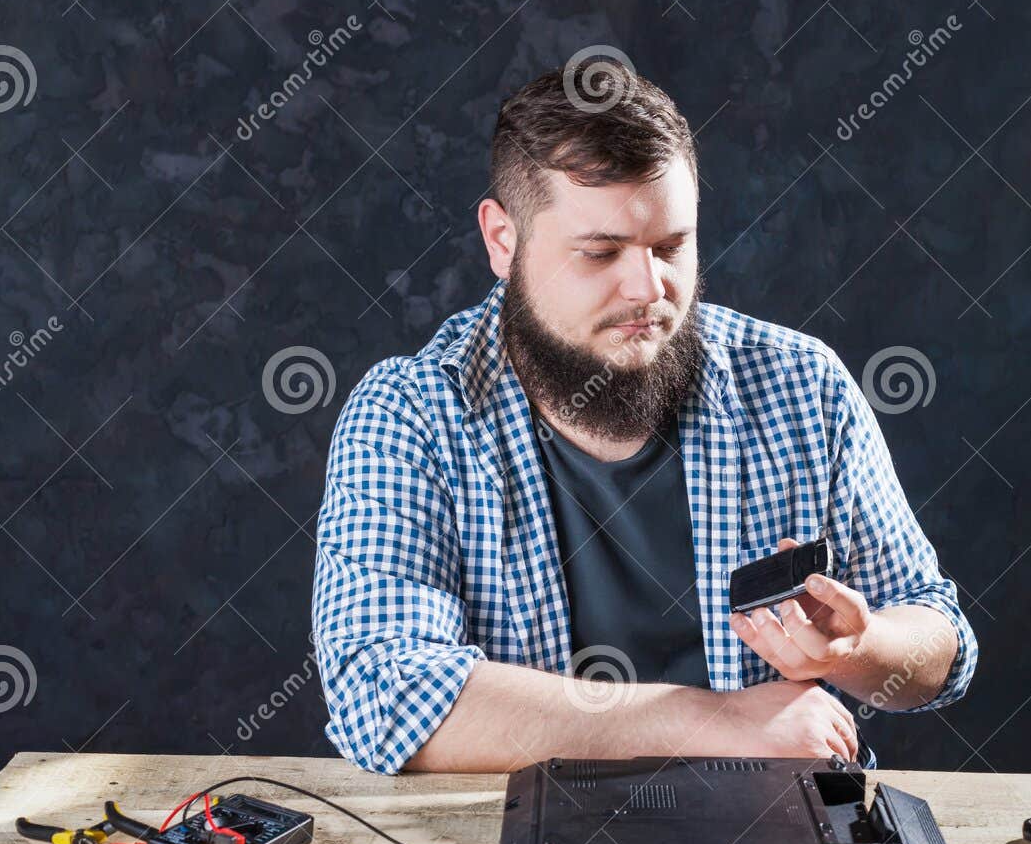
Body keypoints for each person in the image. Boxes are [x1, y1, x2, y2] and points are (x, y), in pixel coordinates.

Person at [310, 59, 977, 774]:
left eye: (670, 247)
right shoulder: (409, 417)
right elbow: (380, 697)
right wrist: (714, 723)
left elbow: (940, 641)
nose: (648, 287)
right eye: (601, 253)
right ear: (503, 241)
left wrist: (860, 646)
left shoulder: (803, 385)